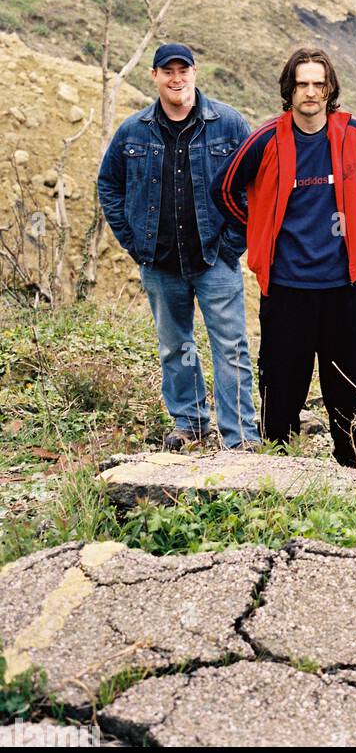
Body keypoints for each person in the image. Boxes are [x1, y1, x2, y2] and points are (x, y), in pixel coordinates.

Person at [211, 46, 356, 467]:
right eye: (302, 84)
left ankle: (354, 463)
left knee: (352, 385)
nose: (310, 92)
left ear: (330, 89)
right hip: (286, 288)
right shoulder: (266, 139)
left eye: (319, 84)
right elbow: (224, 189)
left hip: (345, 286)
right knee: (282, 385)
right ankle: (277, 466)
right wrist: (259, 225)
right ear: (290, 89)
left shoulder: (354, 135)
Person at [97, 43, 259, 451]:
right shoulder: (133, 131)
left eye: (182, 69)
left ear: (194, 72)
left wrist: (232, 244)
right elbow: (109, 185)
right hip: (160, 261)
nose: (176, 78)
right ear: (154, 76)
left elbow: (254, 186)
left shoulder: (228, 124)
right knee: (176, 346)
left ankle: (240, 437)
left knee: (231, 346)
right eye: (167, 71)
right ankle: (190, 423)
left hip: (214, 258)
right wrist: (133, 242)